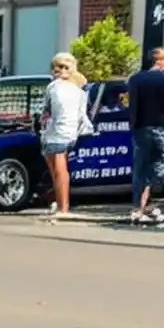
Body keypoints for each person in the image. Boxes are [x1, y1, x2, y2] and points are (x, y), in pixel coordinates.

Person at [127, 47, 164, 224]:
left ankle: (139, 207)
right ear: (159, 60)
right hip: (160, 126)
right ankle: (151, 203)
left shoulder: (135, 79)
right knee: (163, 167)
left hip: (139, 128)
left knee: (142, 166)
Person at [40, 53, 91, 217]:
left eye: (64, 67)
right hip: (70, 132)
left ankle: (63, 208)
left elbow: (47, 109)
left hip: (57, 131)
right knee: (58, 170)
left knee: (59, 171)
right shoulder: (79, 91)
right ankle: (60, 203)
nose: (59, 69)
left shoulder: (53, 87)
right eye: (57, 66)